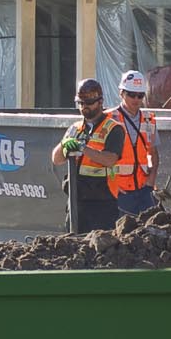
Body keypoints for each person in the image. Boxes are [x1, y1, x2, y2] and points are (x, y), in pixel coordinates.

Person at [57, 77, 123, 232]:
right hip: (76, 200)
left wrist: (83, 148)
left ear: (100, 102)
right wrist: (64, 145)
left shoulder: (113, 128)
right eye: (81, 103)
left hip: (102, 202)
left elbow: (110, 159)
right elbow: (56, 159)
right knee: (73, 242)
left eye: (88, 103)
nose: (84, 107)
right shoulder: (75, 128)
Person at [108, 69, 159, 217]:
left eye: (140, 95)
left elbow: (153, 153)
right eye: (131, 94)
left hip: (143, 190)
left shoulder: (149, 119)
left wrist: (151, 181)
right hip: (120, 192)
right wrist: (111, 185)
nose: (136, 99)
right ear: (121, 93)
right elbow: (99, 157)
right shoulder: (108, 119)